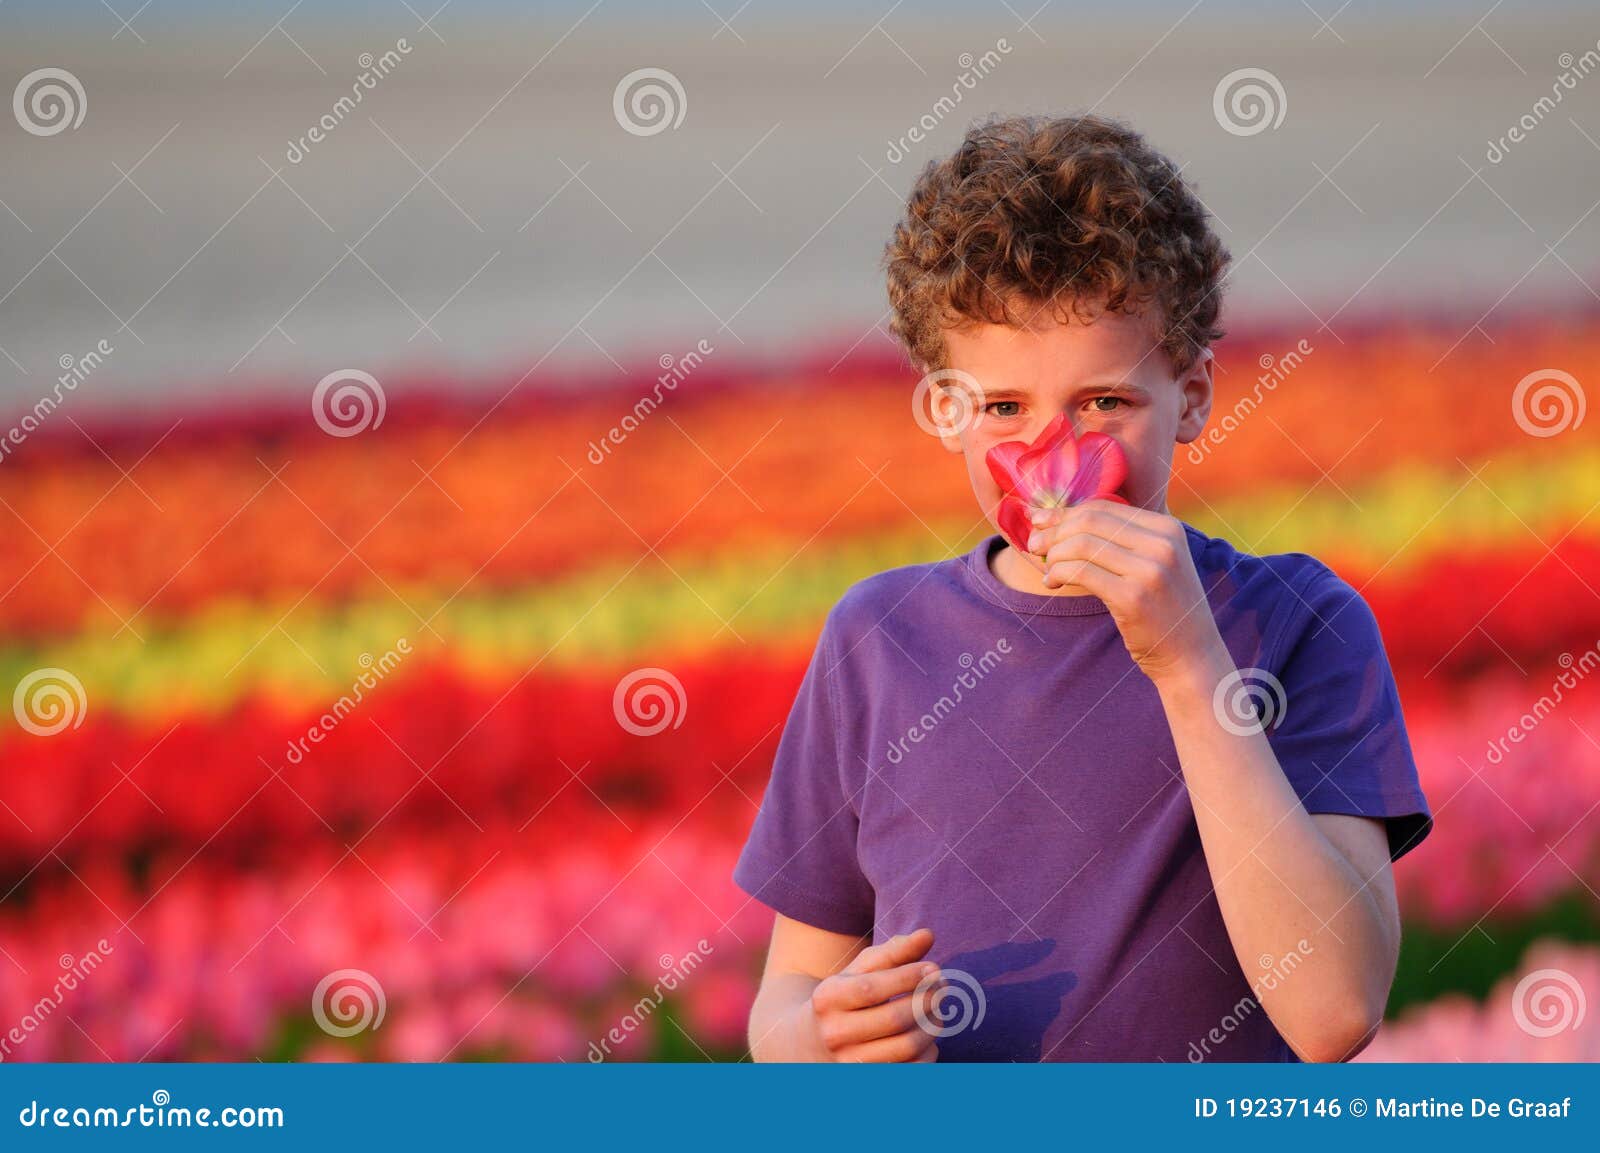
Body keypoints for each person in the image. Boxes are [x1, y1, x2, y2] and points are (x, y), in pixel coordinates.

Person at [733, 113, 1432, 1062]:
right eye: (1004, 408)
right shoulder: (877, 637)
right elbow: (787, 995)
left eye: (1105, 401)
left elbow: (1336, 1011)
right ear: (944, 407)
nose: (1053, 456)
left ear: (1191, 395)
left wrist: (1188, 661)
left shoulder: (1297, 624)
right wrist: (819, 1036)